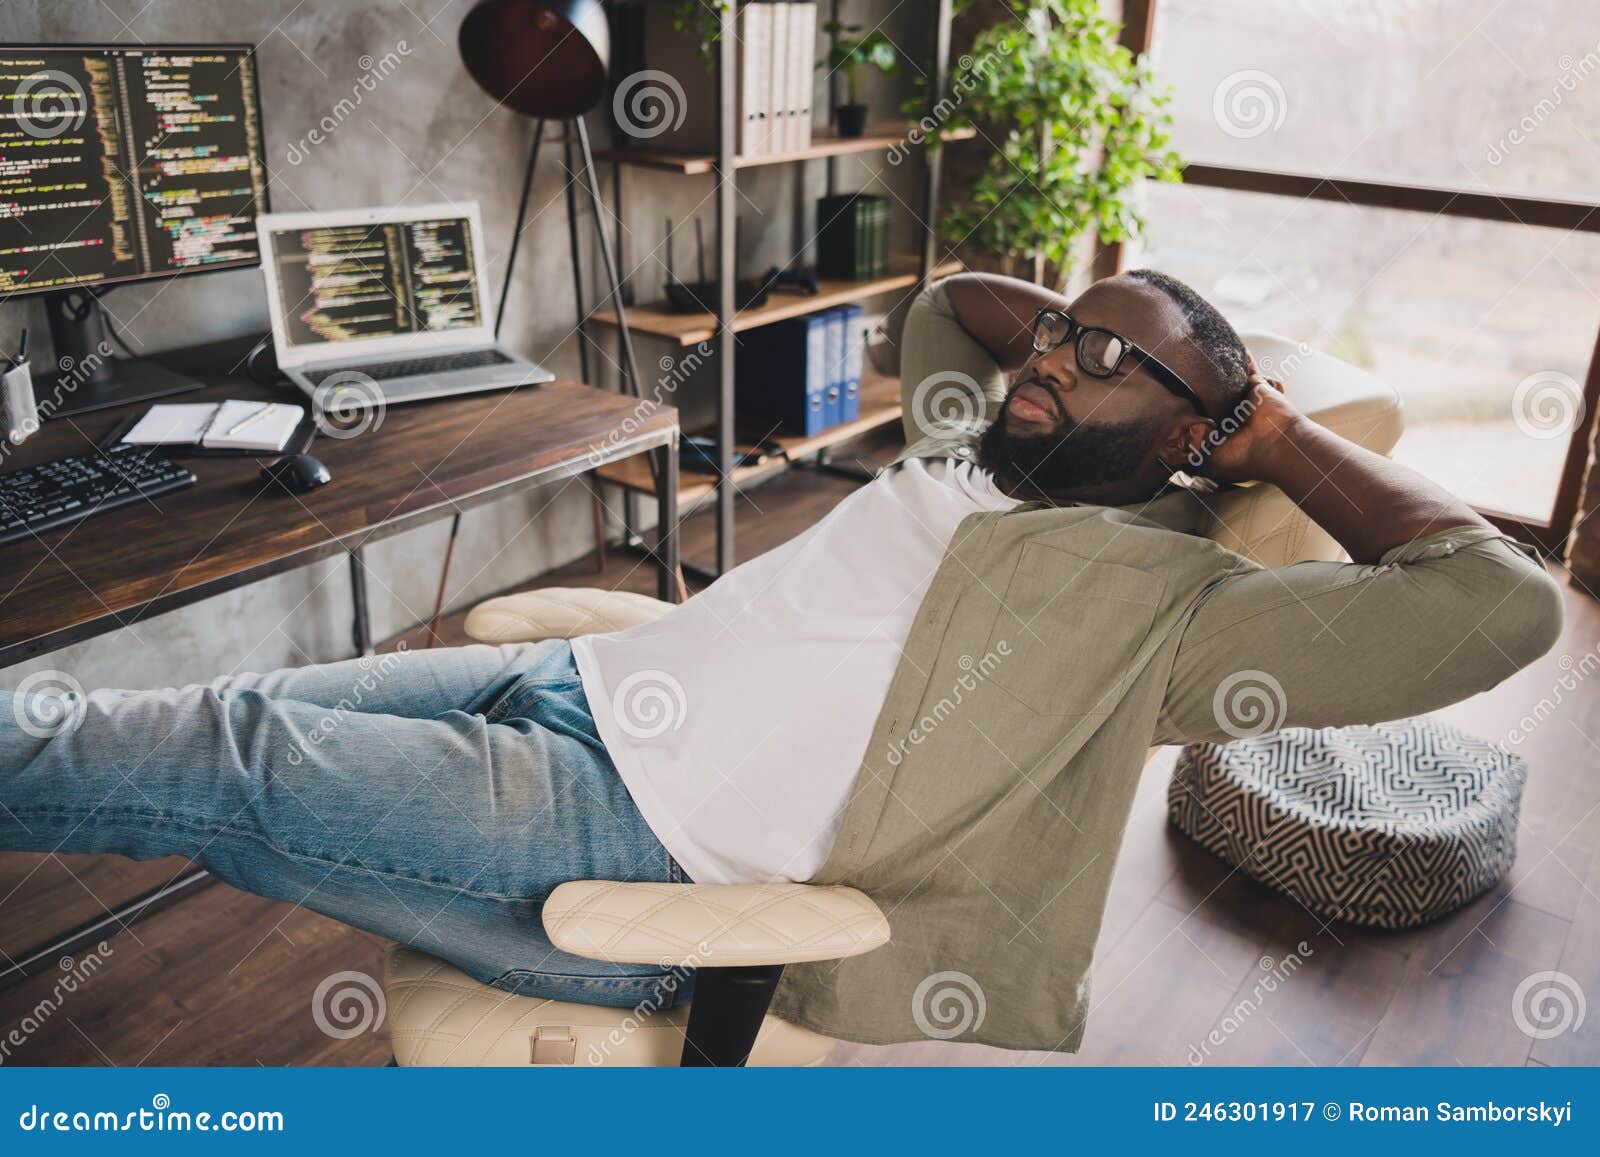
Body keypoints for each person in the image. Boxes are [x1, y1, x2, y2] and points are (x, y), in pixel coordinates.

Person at [0, 271, 1562, 1050]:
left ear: (1191, 435)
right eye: (1063, 331)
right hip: (585, 689)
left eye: (1102, 357)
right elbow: (959, 312)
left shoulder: (1165, 603)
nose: (1048, 358)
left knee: (224, 762)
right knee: (236, 714)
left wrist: (1273, 430)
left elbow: (1497, 603)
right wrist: (1104, 330)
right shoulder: (978, 449)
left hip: (637, 839)